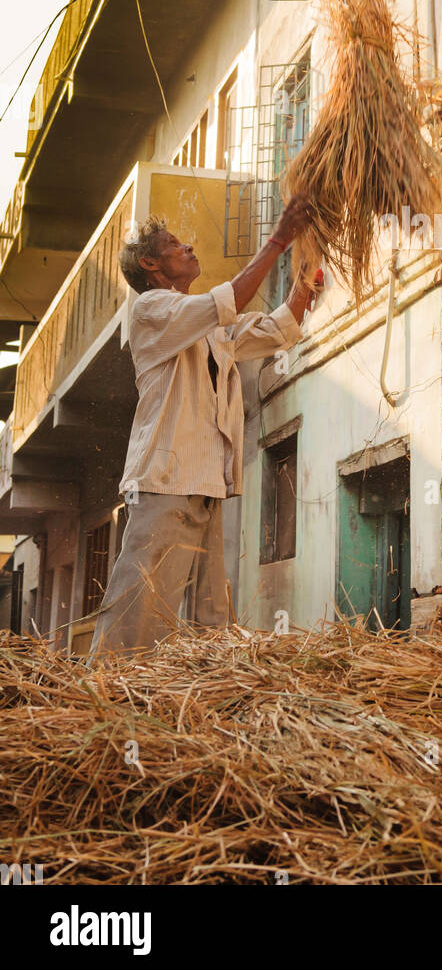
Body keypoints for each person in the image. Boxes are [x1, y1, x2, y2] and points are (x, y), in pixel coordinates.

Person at [87, 194, 319, 659]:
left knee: (210, 614)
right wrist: (279, 238)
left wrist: (309, 265)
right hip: (167, 480)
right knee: (140, 609)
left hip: (208, 483)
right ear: (151, 264)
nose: (188, 246)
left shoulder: (206, 327)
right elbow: (230, 298)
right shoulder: (151, 310)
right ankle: (107, 692)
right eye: (175, 244)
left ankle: (191, 707)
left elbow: (276, 330)